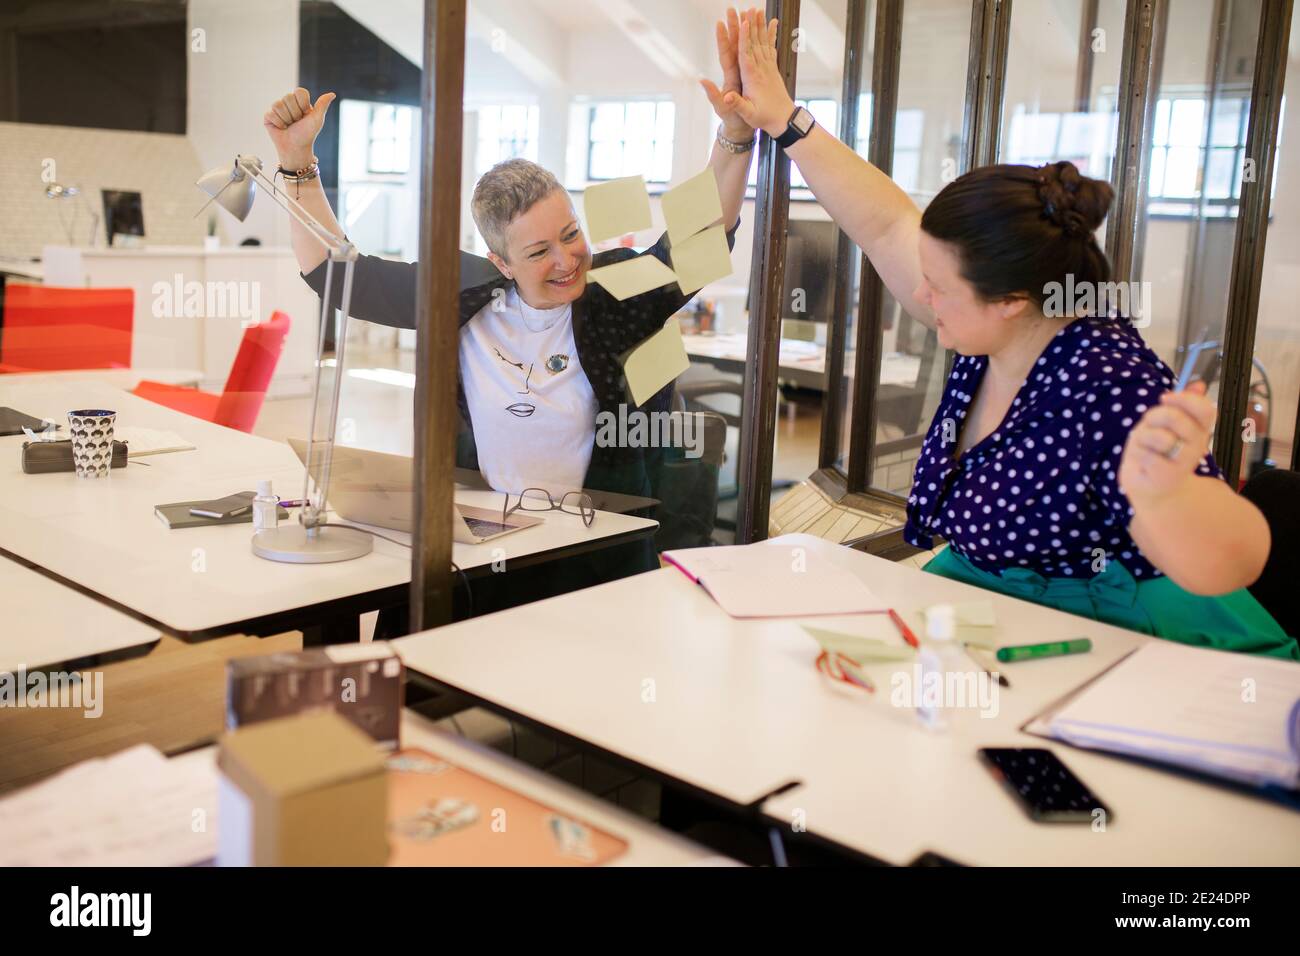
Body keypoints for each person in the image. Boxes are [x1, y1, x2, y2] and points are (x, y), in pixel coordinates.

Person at [722, 8, 1294, 657]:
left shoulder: (1110, 381)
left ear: (1013, 299)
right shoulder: (993, 333)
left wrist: (1167, 495)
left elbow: (1230, 564)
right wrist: (785, 121)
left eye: (939, 286)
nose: (920, 295)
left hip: (1117, 637)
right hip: (991, 610)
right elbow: (883, 226)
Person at [261, 9, 756, 516]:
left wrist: (736, 134)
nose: (567, 260)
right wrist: (297, 165)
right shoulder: (460, 293)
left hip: (597, 541)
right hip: (484, 532)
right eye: (539, 252)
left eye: (570, 235)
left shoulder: (613, 291)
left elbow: (700, 243)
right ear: (501, 262)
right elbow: (337, 275)